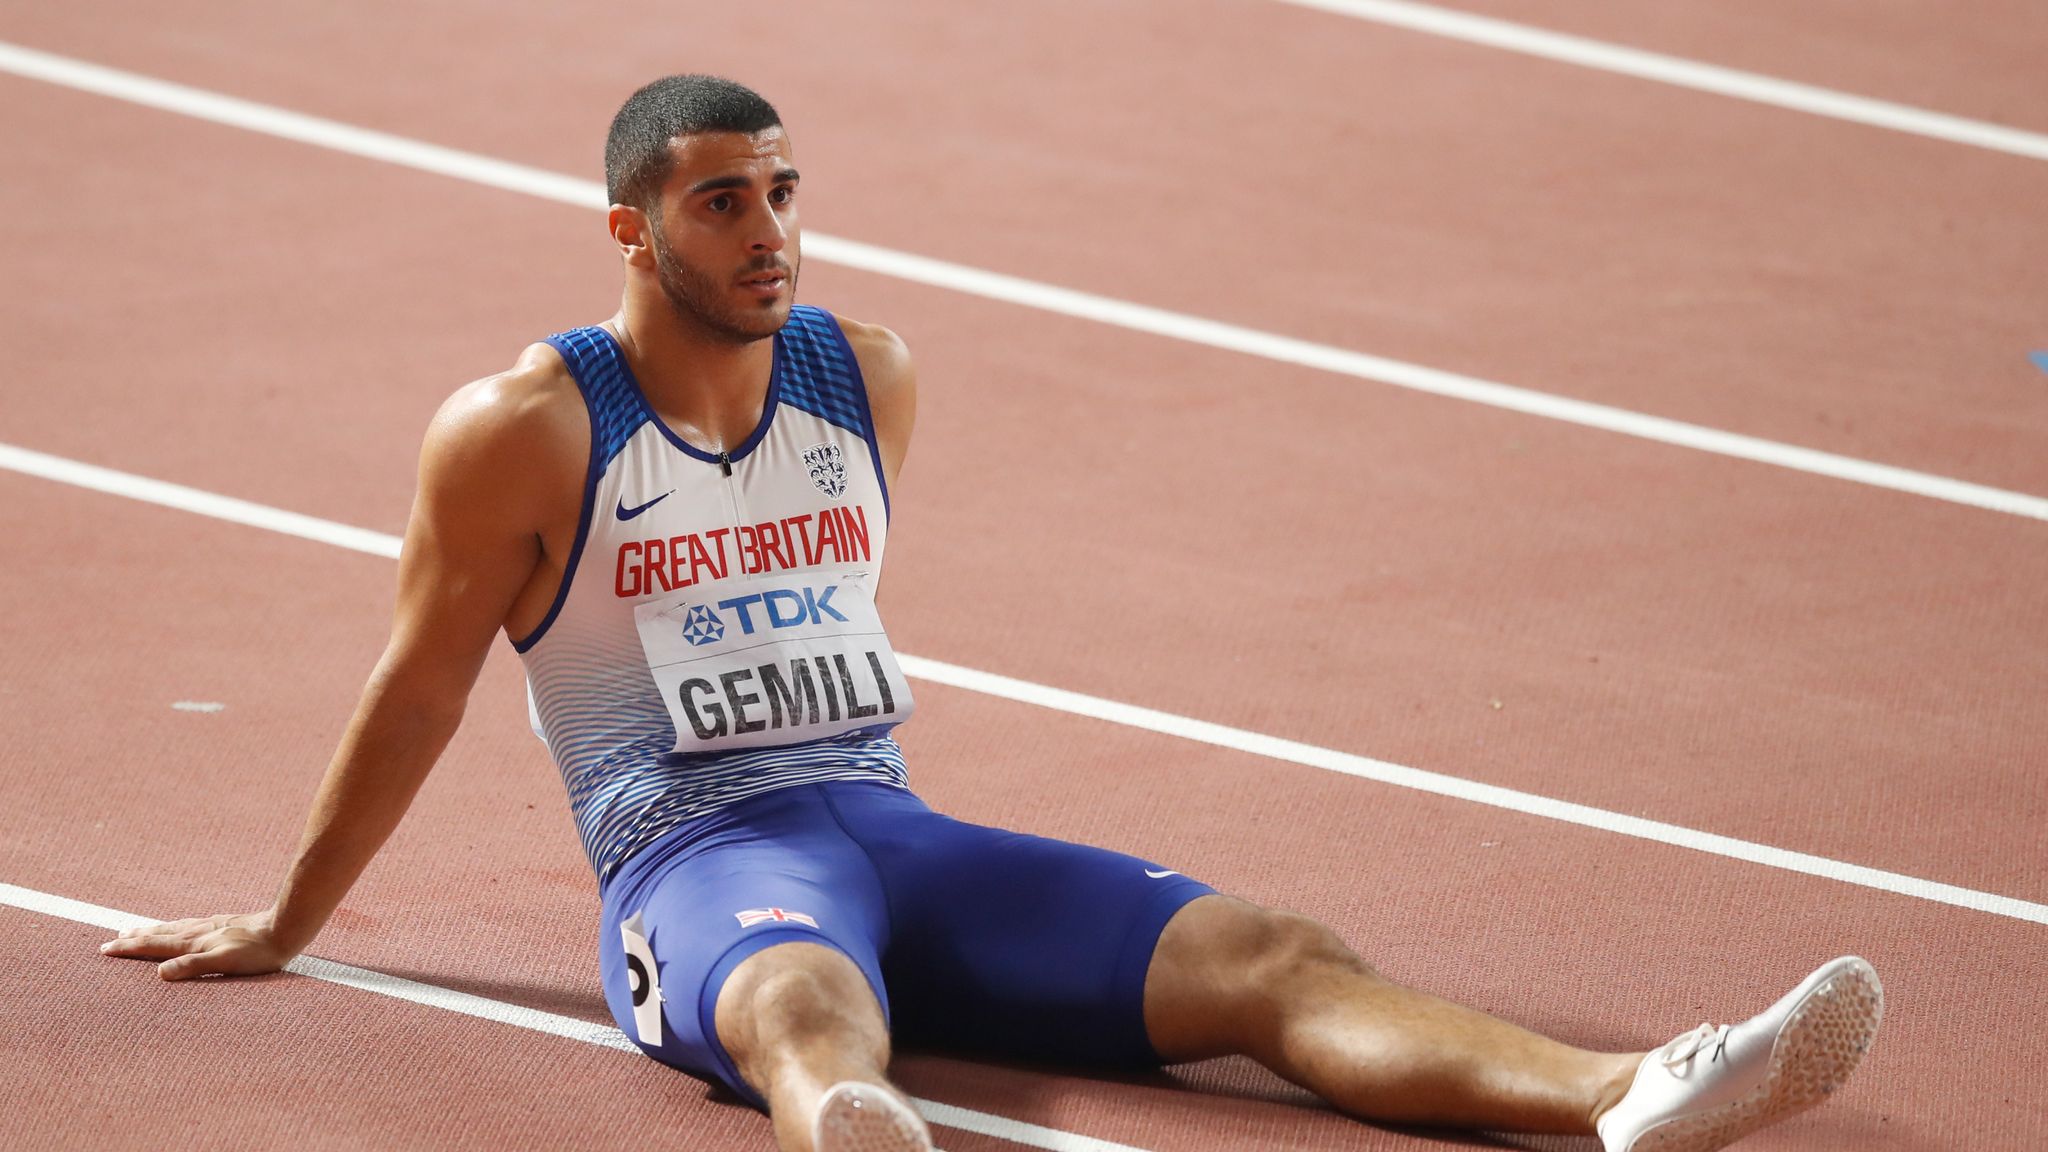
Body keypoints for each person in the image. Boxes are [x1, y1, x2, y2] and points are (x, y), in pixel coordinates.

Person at [98, 75, 1883, 1152]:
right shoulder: (526, 432)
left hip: (894, 830)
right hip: (700, 864)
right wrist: (285, 916)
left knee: (1273, 954)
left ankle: (1630, 1093)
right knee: (805, 1005)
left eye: (785, 193)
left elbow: (821, 618)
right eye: (724, 203)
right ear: (631, 232)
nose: (771, 230)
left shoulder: (861, 376)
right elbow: (417, 691)